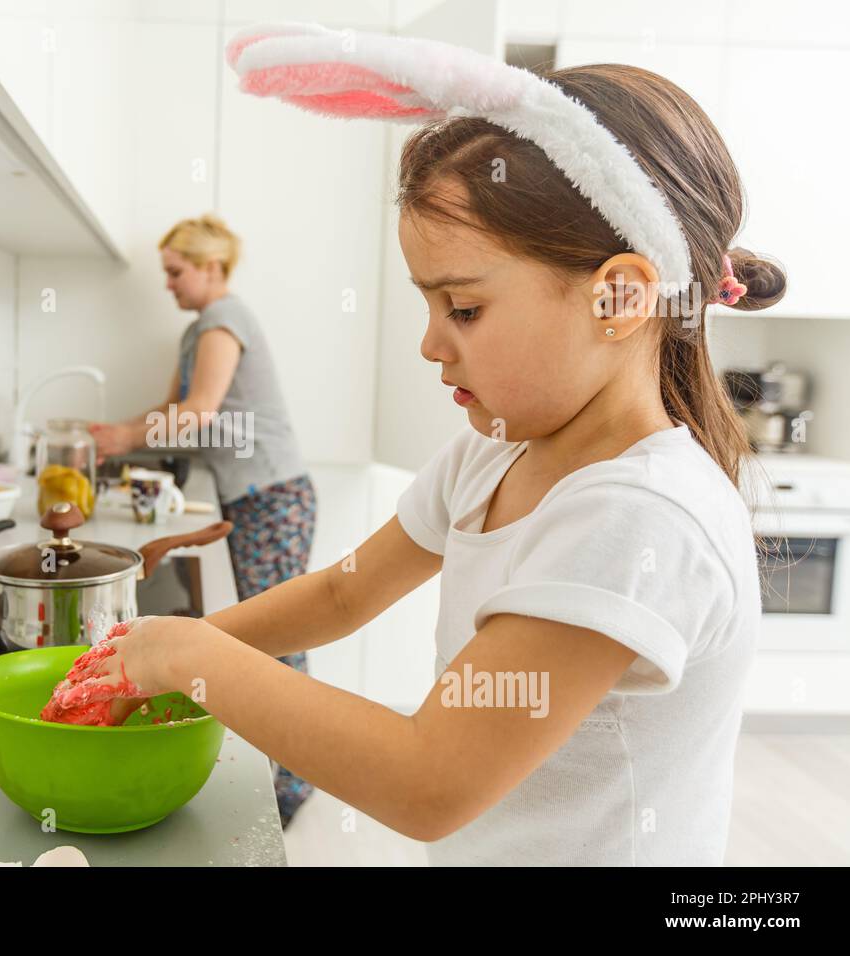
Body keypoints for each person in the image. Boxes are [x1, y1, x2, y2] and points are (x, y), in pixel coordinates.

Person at [54, 28, 786, 863]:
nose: (430, 345)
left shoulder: (640, 515)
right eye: (428, 306)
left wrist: (186, 653)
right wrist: (157, 651)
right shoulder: (498, 451)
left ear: (618, 296)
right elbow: (340, 597)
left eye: (463, 308)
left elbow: (428, 780)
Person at [88, 214, 318, 827]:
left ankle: (294, 782)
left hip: (273, 495)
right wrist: (119, 437)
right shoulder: (199, 331)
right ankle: (287, 774)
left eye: (175, 271)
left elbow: (196, 414)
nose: (167, 284)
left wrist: (125, 435)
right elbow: (172, 410)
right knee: (272, 633)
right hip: (258, 496)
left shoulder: (223, 318)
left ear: (211, 267)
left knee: (279, 637)